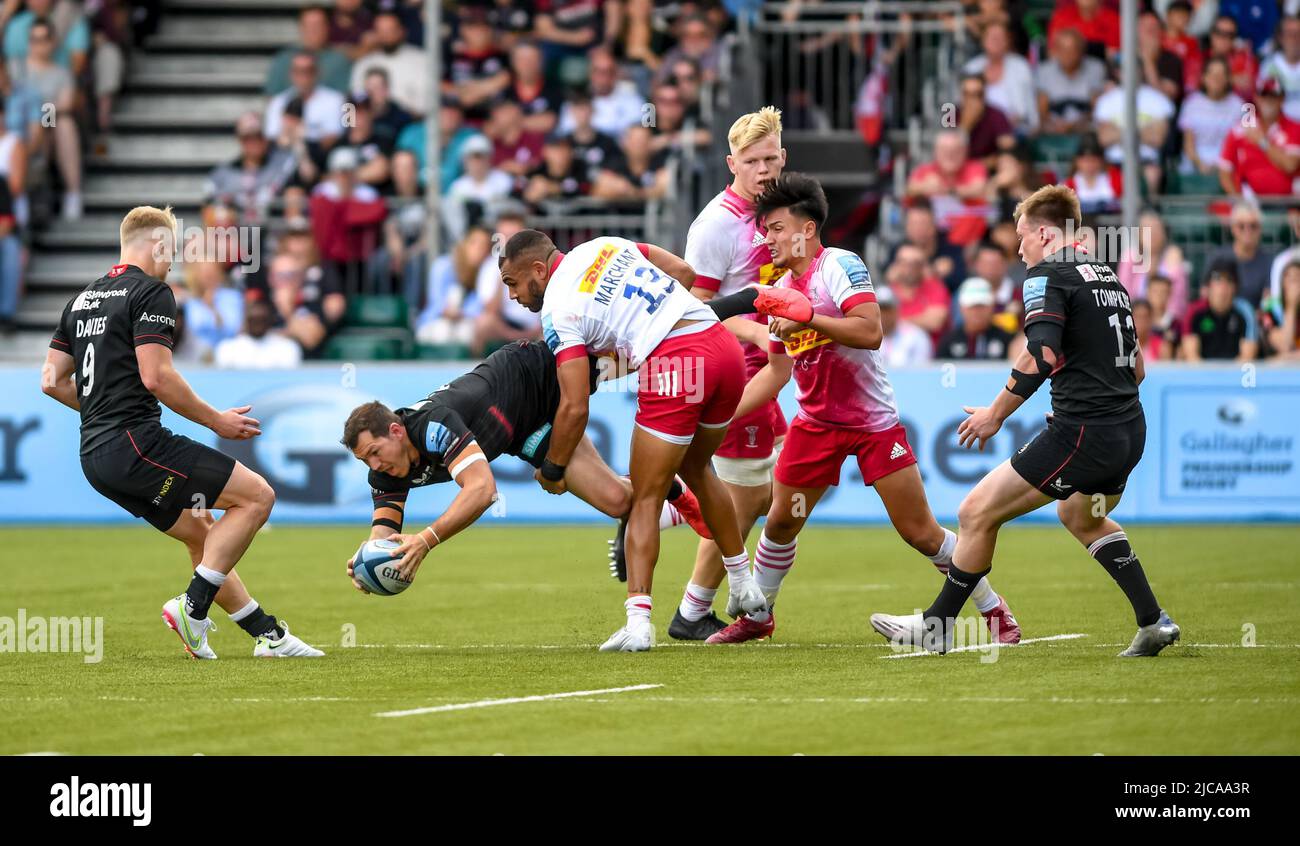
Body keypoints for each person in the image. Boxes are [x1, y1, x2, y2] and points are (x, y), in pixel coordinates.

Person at [706, 173, 1020, 645]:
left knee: (920, 532)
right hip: (814, 424)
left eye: (773, 228)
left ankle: (995, 613)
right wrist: (724, 418)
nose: (764, 238)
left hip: (872, 425)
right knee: (781, 520)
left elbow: (870, 331)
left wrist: (809, 317)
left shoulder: (839, 265)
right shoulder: (777, 287)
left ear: (806, 229)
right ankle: (759, 616)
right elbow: (775, 372)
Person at [869, 185, 1180, 658]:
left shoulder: (1045, 275)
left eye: (1021, 237)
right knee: (1082, 514)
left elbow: (1043, 352)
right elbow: (1136, 369)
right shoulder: (1111, 280)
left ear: (1043, 232)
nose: (1018, 249)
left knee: (975, 512)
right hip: (1128, 430)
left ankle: (937, 626)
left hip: (1082, 433)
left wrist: (996, 413)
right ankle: (1153, 620)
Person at [497, 229, 811, 652]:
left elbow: (573, 407)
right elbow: (683, 271)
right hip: (723, 350)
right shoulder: (604, 245)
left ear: (539, 269)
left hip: (677, 362)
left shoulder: (557, 310)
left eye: (512, 283)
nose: (513, 296)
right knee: (698, 469)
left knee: (647, 495)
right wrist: (651, 320)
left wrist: (553, 468)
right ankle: (742, 583)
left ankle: (638, 623)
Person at [39, 206, 322, 660]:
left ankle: (268, 636)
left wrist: (100, 408)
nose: (172, 264)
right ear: (156, 246)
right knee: (257, 496)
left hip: (96, 456)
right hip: (137, 444)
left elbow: (51, 381)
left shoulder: (81, 300)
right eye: (170, 252)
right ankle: (191, 609)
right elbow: (158, 378)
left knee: (202, 534)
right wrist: (217, 421)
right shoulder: (151, 293)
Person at [341, 343, 715, 596]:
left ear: (395, 431)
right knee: (619, 502)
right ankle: (673, 491)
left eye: (375, 452)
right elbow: (385, 533)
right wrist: (368, 561)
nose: (374, 465)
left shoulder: (433, 426)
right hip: (523, 434)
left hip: (536, 374)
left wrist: (425, 540)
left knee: (649, 350)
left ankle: (731, 306)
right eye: (365, 461)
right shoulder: (384, 471)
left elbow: (482, 490)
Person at [666, 106, 790, 640]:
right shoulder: (716, 224)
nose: (763, 168)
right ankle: (692, 609)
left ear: (783, 158)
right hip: (733, 369)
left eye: (770, 158)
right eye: (752, 160)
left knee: (760, 496)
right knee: (746, 501)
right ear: (731, 164)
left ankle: (667, 510)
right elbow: (697, 307)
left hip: (768, 367)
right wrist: (759, 333)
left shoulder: (776, 210)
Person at [1218, 77, 1300, 198]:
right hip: (1249, 202)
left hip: (1288, 202)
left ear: (1282, 99)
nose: (1268, 101)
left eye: (1273, 96)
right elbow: (1225, 171)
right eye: (1264, 95)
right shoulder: (1240, 129)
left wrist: (1262, 141)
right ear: (1256, 98)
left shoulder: (1295, 128)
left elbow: (1290, 166)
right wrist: (1240, 202)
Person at [1179, 263, 1259, 362]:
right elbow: (1192, 357)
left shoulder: (1245, 312)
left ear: (1235, 287)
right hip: (1202, 373)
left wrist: (1229, 376)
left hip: (1235, 373)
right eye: (1217, 279)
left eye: (1229, 280)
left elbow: (1247, 356)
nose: (1223, 286)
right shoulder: (1194, 312)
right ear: (1208, 286)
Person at [1205, 202, 1277, 308]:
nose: (1247, 231)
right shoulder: (1217, 257)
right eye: (1241, 226)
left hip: (1255, 320)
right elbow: (1206, 293)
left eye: (1253, 226)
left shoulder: (1268, 261)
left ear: (1260, 229)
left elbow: (1268, 300)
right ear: (1232, 228)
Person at [936, 278, 1015, 360]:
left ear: (992, 307)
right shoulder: (948, 342)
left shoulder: (1007, 340)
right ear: (961, 308)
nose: (977, 311)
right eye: (972, 306)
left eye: (982, 306)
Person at [214, 299, 303, 369]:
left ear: (270, 320)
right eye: (254, 320)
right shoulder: (227, 349)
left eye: (262, 320)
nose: (258, 325)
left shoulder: (287, 348)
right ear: (246, 320)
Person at [877, 285, 933, 368]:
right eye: (880, 310)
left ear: (896, 310)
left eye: (887, 310)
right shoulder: (864, 339)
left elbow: (922, 372)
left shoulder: (916, 336)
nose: (884, 315)